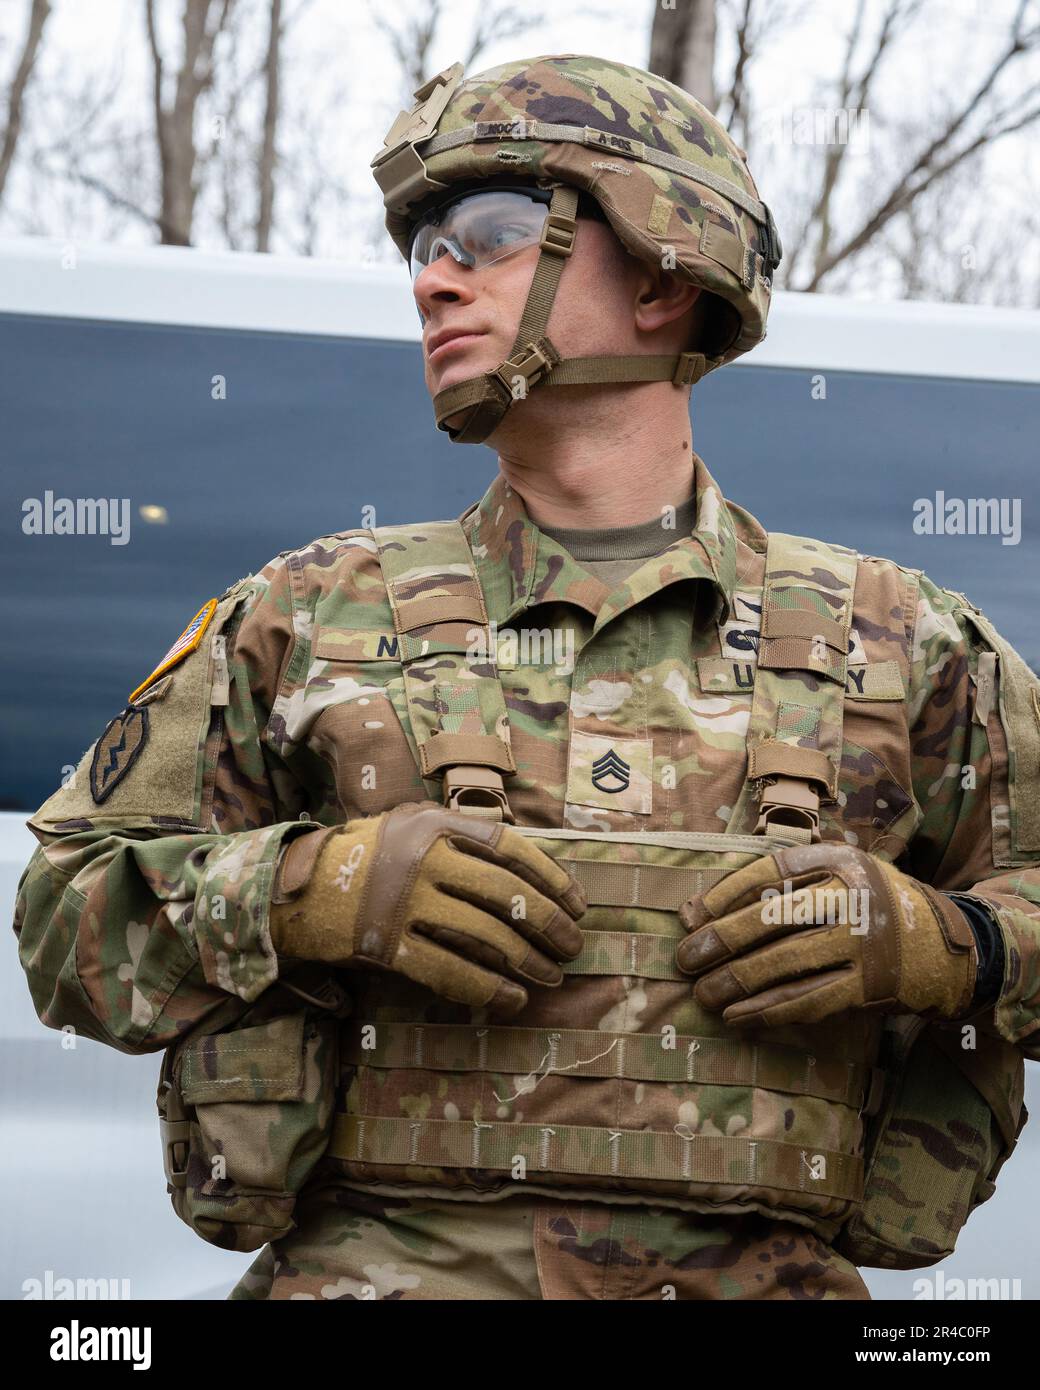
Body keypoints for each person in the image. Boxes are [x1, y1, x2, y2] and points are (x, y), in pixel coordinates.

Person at [14, 53, 1040, 1302]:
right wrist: (309, 891)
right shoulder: (301, 614)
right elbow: (61, 917)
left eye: (489, 233)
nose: (432, 277)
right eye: (422, 248)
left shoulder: (907, 644)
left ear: (666, 272)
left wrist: (951, 946)